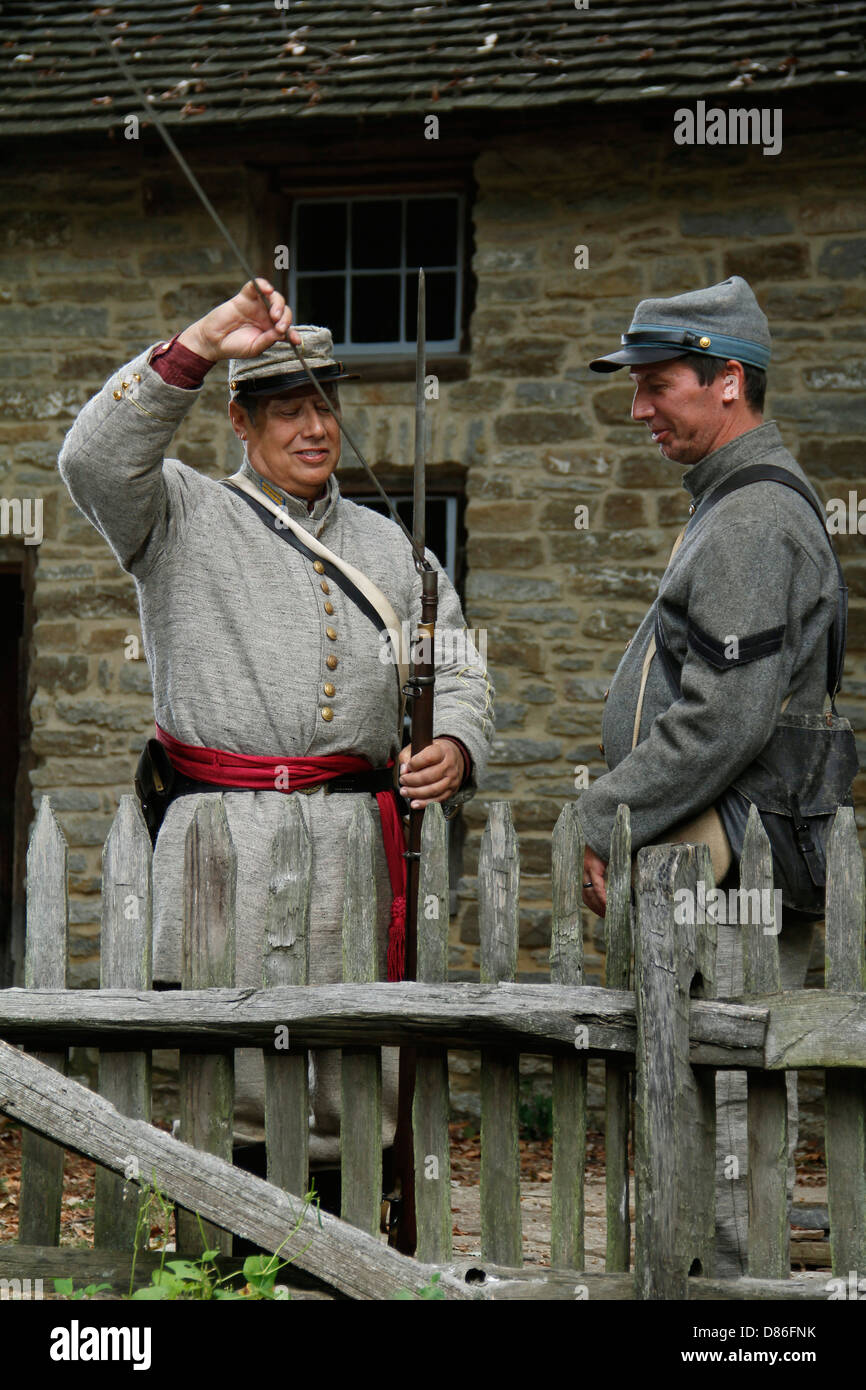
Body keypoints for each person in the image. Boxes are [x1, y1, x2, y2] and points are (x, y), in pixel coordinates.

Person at [57, 277, 494, 1192]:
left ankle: (345, 1255)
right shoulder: (176, 513)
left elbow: (455, 663)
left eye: (323, 408)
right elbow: (91, 461)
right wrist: (203, 340)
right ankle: (226, 1262)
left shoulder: (394, 549)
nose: (313, 429)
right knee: (232, 1081)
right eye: (286, 410)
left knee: (351, 1084)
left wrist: (454, 740)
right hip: (223, 842)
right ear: (240, 424)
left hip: (350, 844)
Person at [576, 275, 842, 1276]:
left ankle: (729, 1316)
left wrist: (606, 816)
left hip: (741, 865)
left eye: (655, 386)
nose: (638, 409)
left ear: (726, 379)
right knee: (705, 1087)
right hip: (730, 855)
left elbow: (724, 719)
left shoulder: (747, 518)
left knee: (727, 1099)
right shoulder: (730, 503)